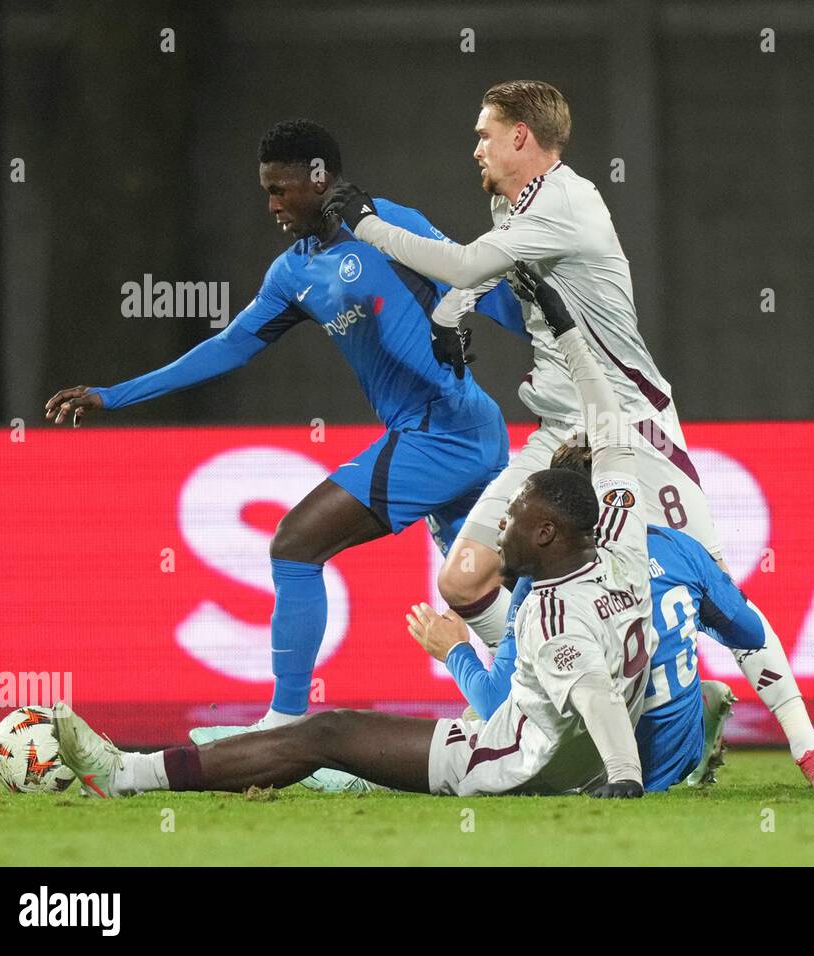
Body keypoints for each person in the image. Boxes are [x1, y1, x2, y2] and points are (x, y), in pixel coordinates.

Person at [322, 81, 814, 786]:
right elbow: (486, 274)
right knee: (466, 575)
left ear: (521, 139)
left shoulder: (565, 204)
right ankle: (553, 710)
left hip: (629, 422)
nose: (475, 145)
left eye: (486, 133)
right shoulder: (510, 204)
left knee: (716, 591)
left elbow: (466, 264)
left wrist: (366, 224)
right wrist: (449, 318)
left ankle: (808, 747)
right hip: (558, 425)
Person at [52, 255, 655, 799]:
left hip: (514, 762)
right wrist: (567, 329)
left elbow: (554, 695)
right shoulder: (620, 540)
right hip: (576, 760)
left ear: (548, 534)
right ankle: (326, 764)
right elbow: (610, 422)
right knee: (443, 636)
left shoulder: (550, 616)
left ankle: (128, 774)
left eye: (513, 514)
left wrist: (455, 657)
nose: (499, 525)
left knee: (328, 728)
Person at [43, 119, 522, 739]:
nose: (271, 204)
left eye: (281, 188)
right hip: (451, 432)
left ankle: (284, 723)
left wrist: (560, 341)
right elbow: (229, 348)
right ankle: (530, 701)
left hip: (445, 429)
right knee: (479, 587)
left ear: (319, 178)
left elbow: (476, 281)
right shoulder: (292, 274)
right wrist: (116, 395)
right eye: (266, 190)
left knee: (295, 545)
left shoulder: (385, 221)